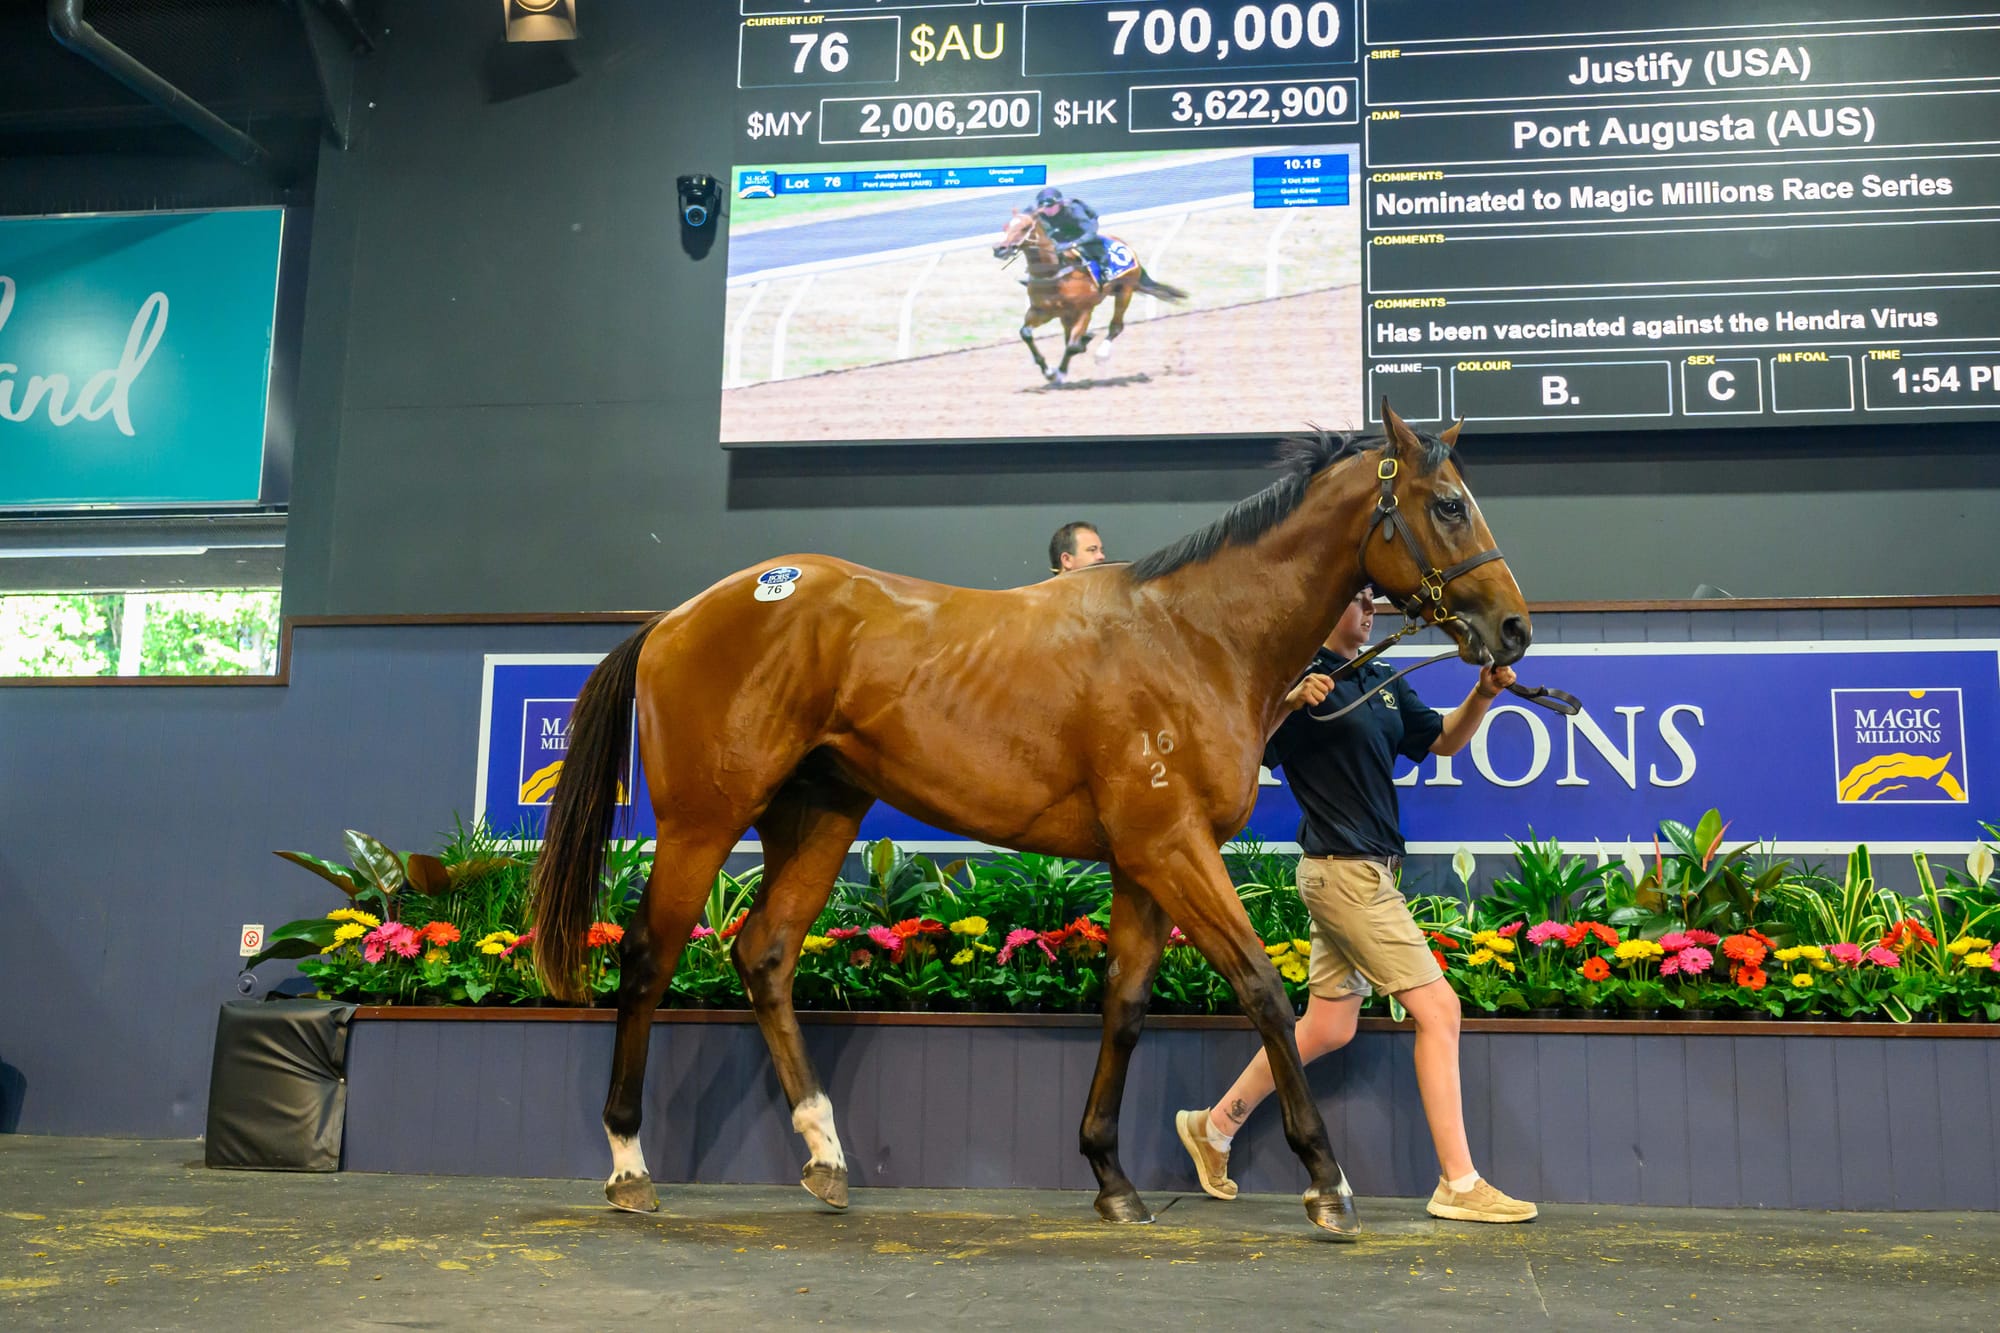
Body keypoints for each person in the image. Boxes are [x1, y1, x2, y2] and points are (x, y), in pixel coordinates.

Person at [1175, 586, 1536, 1228]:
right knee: (1441, 1010)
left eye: (1374, 603)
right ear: (1327, 609)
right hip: (1345, 876)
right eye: (1359, 602)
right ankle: (1459, 1182)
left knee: (1329, 1028)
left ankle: (1214, 1126)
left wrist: (1483, 693)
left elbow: (1444, 742)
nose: (1371, 612)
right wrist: (1286, 704)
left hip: (1359, 874)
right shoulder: (1300, 678)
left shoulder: (1383, 680)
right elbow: (1246, 747)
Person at [1032, 186, 1110, 282]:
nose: (1047, 210)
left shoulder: (1074, 209)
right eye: (1044, 208)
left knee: (1093, 243)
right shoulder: (1041, 215)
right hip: (1064, 228)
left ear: (1059, 204)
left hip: (1085, 226)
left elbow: (1090, 232)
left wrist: (1073, 244)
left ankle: (1105, 269)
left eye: (1051, 207)